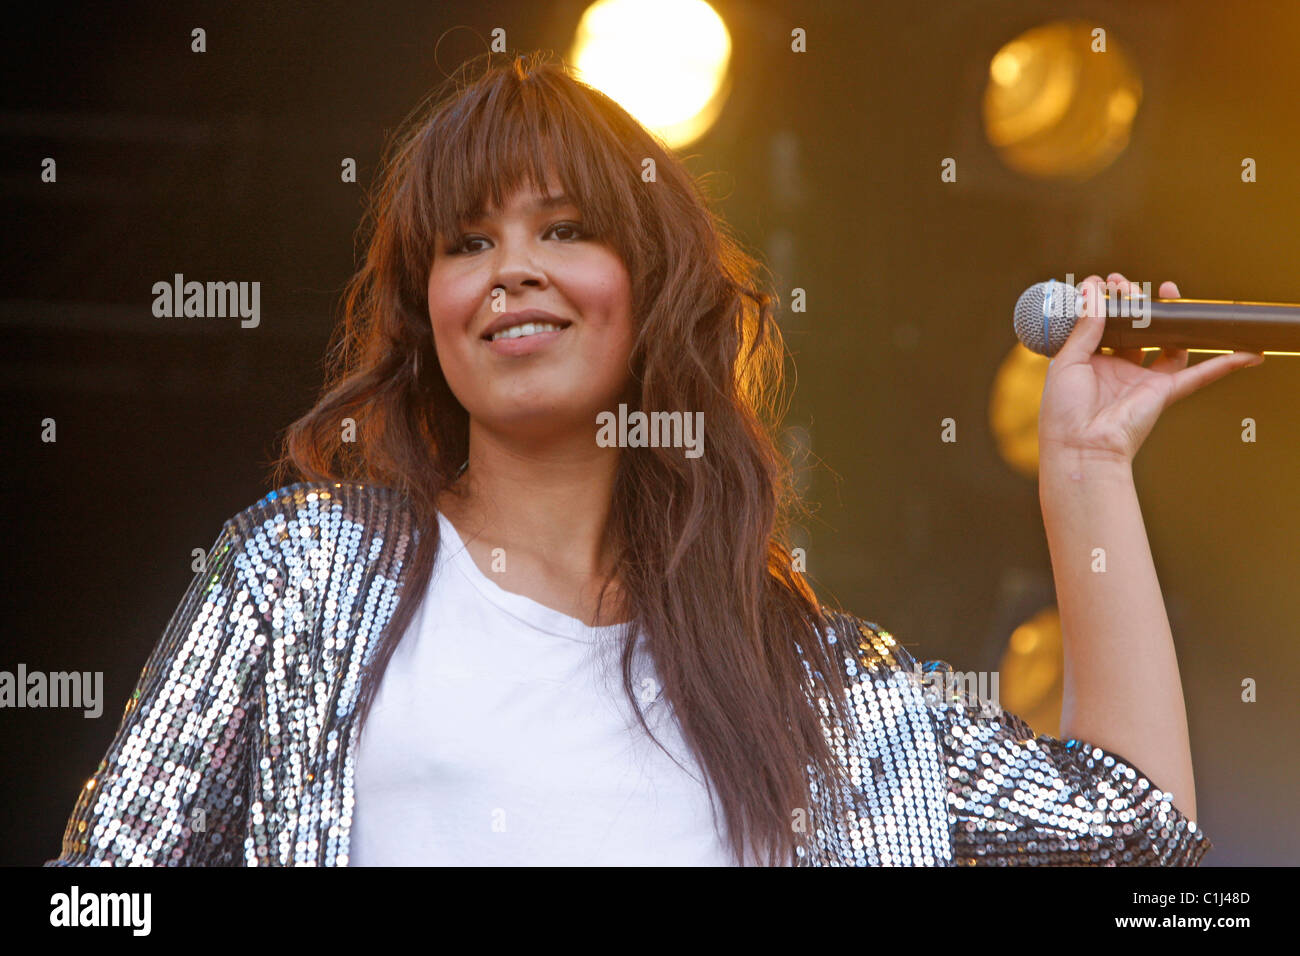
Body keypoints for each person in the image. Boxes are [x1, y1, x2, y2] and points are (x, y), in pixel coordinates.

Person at [46, 51, 1254, 867]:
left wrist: (1087, 463)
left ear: (650, 292)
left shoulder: (809, 683)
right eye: (469, 241)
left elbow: (1138, 841)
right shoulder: (299, 573)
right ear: (431, 313)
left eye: (564, 230)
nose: (514, 267)